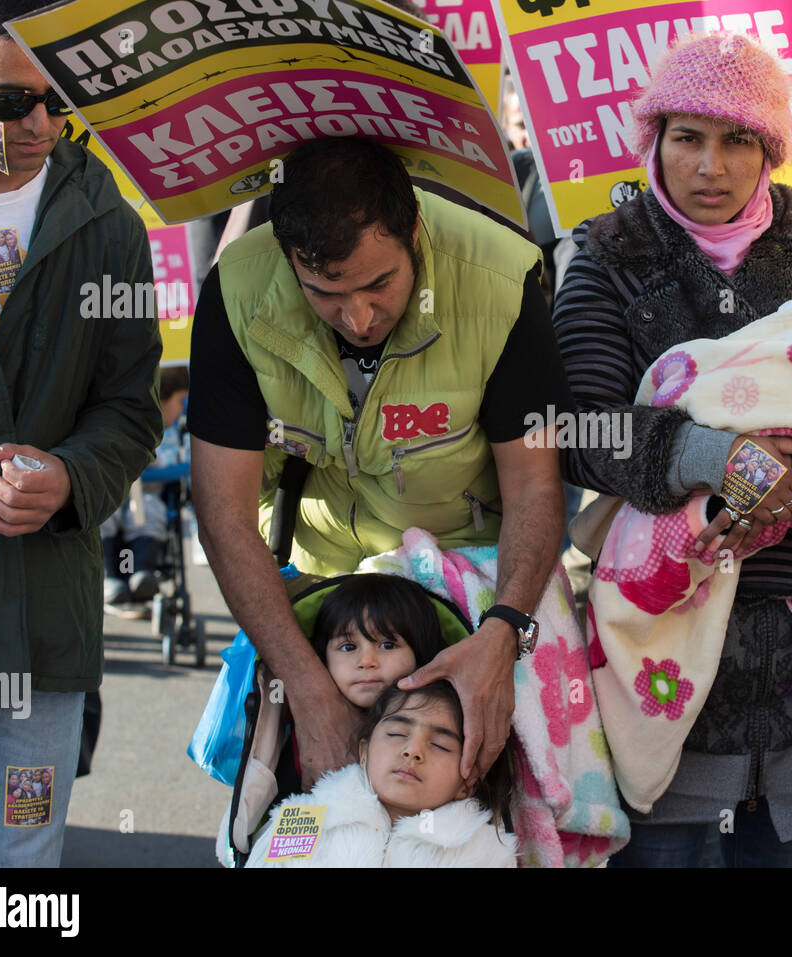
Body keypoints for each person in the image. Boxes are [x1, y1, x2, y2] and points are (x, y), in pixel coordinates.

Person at [554, 32, 792, 867]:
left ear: (770, 149)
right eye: (687, 136)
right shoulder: (605, 253)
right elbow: (583, 427)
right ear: (652, 139)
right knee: (662, 852)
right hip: (663, 635)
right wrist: (714, 457)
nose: (710, 166)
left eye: (738, 141)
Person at [187, 136, 571, 792]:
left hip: (468, 604)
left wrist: (503, 634)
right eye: (326, 294)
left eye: (379, 284)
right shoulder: (237, 293)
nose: (358, 317)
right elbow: (223, 515)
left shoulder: (502, 279)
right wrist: (305, 688)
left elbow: (535, 486)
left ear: (414, 229)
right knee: (308, 829)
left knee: (452, 827)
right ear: (287, 261)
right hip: (321, 608)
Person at [0, 0, 162, 867]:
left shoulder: (110, 228)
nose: (41, 124)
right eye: (12, 99)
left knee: (21, 872)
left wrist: (69, 476)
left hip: (38, 640)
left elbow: (132, 407)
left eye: (59, 98)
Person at [247, 680, 515, 867]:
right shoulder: (303, 819)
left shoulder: (484, 851)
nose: (412, 751)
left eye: (440, 745)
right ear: (364, 753)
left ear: (467, 783)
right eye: (397, 734)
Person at [101, 366, 189, 613]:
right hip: (116, 495)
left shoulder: (172, 436)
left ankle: (141, 573)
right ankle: (110, 577)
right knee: (105, 514)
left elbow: (177, 467)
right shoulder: (129, 427)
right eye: (180, 401)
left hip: (148, 496)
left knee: (148, 513)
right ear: (161, 400)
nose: (182, 408)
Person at [309, 574, 448, 710]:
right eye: (348, 647)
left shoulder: (448, 715)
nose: (366, 662)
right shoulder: (292, 711)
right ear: (324, 658)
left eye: (387, 645)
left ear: (420, 653)